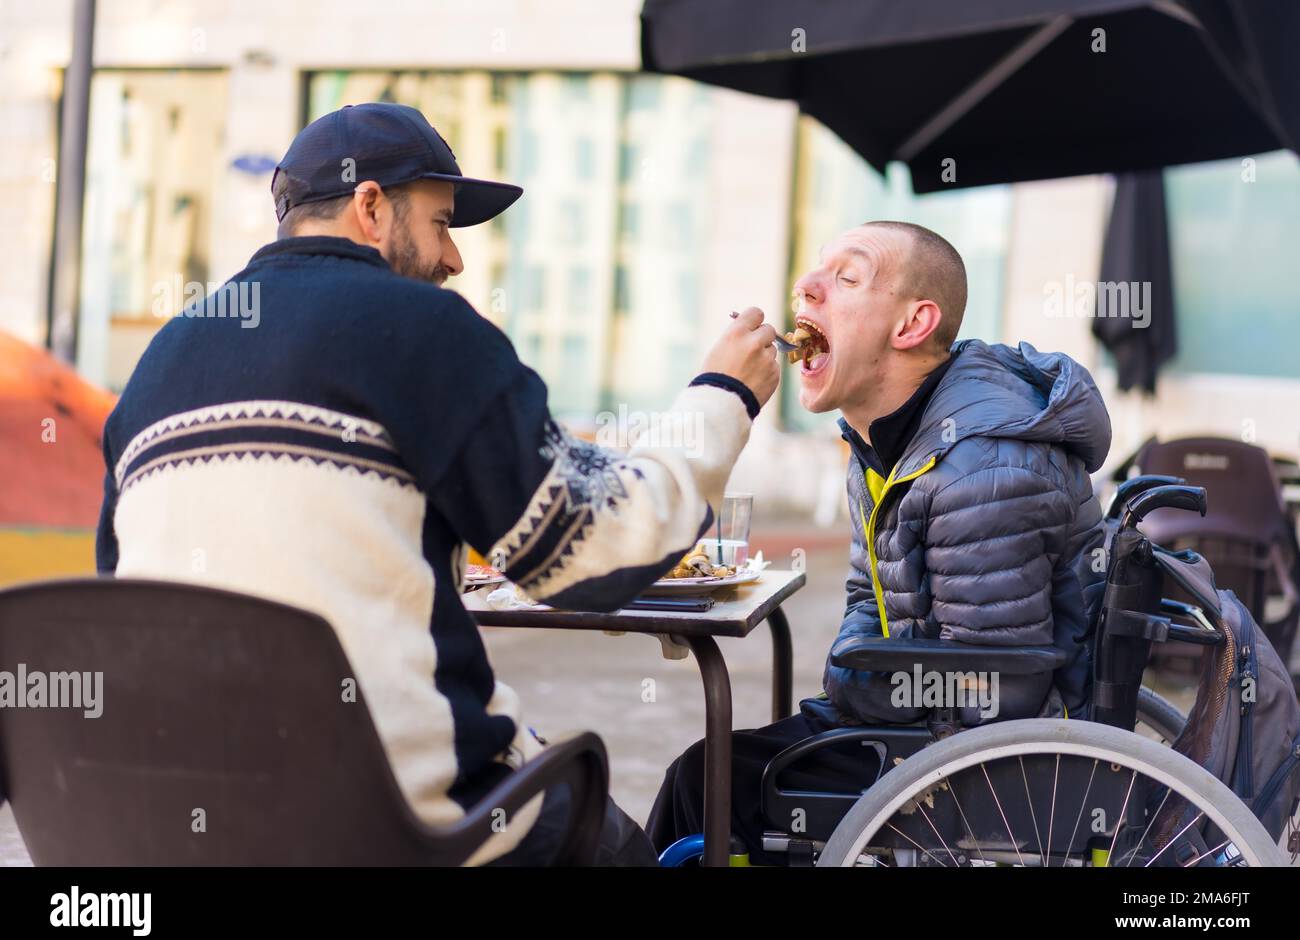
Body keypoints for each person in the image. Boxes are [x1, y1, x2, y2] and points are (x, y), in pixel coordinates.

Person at [95, 103, 781, 865]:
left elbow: (121, 592)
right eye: (442, 222)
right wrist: (723, 396)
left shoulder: (160, 360)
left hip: (178, 812)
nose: (454, 259)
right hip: (396, 817)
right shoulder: (423, 325)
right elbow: (595, 548)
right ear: (370, 206)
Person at [647, 221, 1113, 864]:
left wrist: (855, 680)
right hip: (911, 728)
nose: (804, 290)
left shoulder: (982, 467)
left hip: (984, 770)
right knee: (701, 775)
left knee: (706, 782)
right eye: (813, 273)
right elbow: (867, 594)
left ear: (913, 324)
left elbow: (992, 690)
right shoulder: (883, 439)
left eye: (845, 278)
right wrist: (856, 674)